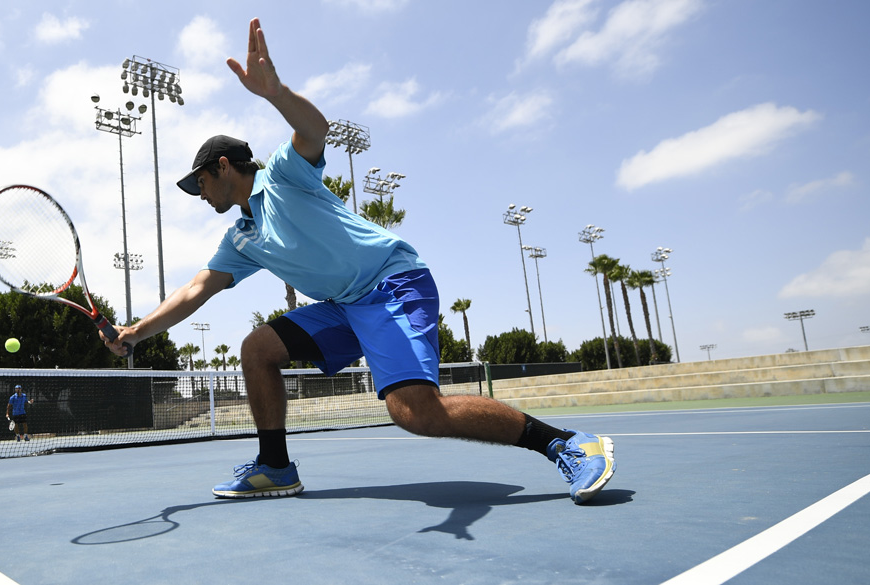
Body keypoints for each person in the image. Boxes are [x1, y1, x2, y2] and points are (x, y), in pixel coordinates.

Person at [102, 17, 616, 504]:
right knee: (258, 348)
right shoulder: (242, 237)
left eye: (200, 183)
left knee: (415, 412)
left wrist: (275, 94)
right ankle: (276, 466)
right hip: (346, 305)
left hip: (393, 284)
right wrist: (137, 332)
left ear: (223, 167)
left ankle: (567, 443)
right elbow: (196, 290)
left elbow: (315, 131)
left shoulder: (283, 175)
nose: (199, 194)